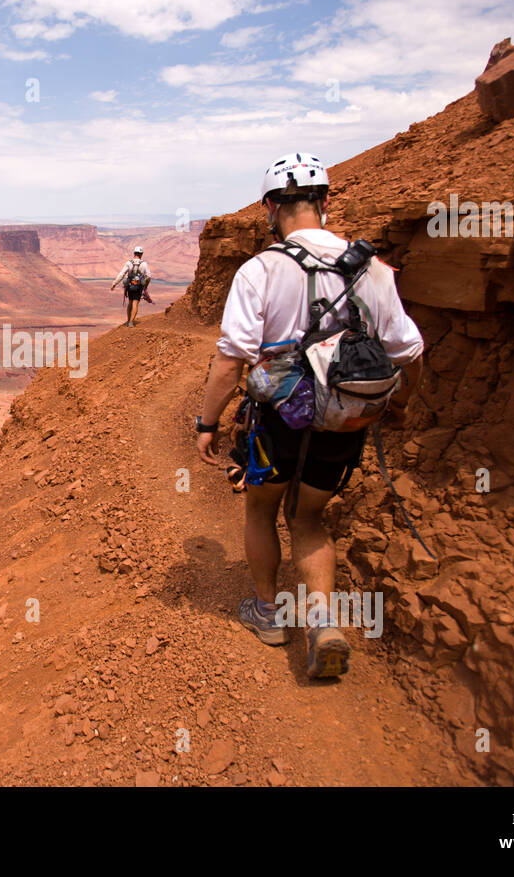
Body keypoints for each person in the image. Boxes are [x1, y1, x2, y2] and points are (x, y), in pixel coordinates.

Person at [194, 151, 424, 679]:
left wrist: (207, 423)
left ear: (270, 207)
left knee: (261, 510)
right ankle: (322, 622)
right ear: (325, 200)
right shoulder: (374, 269)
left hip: (278, 419)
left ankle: (269, 614)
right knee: (310, 518)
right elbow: (410, 352)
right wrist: (401, 406)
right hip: (342, 420)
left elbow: (231, 361)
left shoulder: (261, 270)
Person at [109, 247, 151, 327]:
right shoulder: (144, 264)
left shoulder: (129, 263)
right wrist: (145, 287)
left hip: (130, 286)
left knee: (130, 302)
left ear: (134, 253)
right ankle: (131, 322)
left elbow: (122, 274)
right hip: (139, 286)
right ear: (141, 254)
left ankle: (128, 320)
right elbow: (148, 276)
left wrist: (114, 283)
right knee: (135, 303)